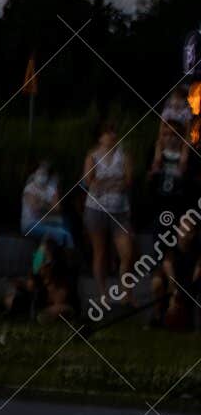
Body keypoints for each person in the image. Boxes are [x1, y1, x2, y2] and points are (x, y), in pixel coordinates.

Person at [82, 122, 134, 292]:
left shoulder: (124, 156)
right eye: (107, 132)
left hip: (119, 211)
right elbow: (90, 182)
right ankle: (102, 292)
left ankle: (126, 292)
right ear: (100, 137)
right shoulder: (93, 157)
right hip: (96, 209)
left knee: (127, 253)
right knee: (101, 253)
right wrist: (113, 182)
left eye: (113, 131)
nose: (112, 135)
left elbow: (128, 181)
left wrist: (105, 182)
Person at [21, 161, 73, 248]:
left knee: (66, 224)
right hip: (31, 225)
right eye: (40, 173)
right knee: (63, 234)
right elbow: (35, 208)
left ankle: (58, 255)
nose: (42, 176)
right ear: (34, 174)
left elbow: (57, 208)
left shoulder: (50, 189)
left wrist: (42, 202)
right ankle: (67, 255)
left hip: (47, 221)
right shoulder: (29, 188)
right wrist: (48, 205)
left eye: (44, 173)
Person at [148, 123, 190, 224]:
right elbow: (150, 179)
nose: (169, 138)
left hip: (180, 208)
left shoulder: (189, 158)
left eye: (174, 134)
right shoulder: (155, 155)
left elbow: (191, 183)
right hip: (159, 205)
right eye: (165, 134)